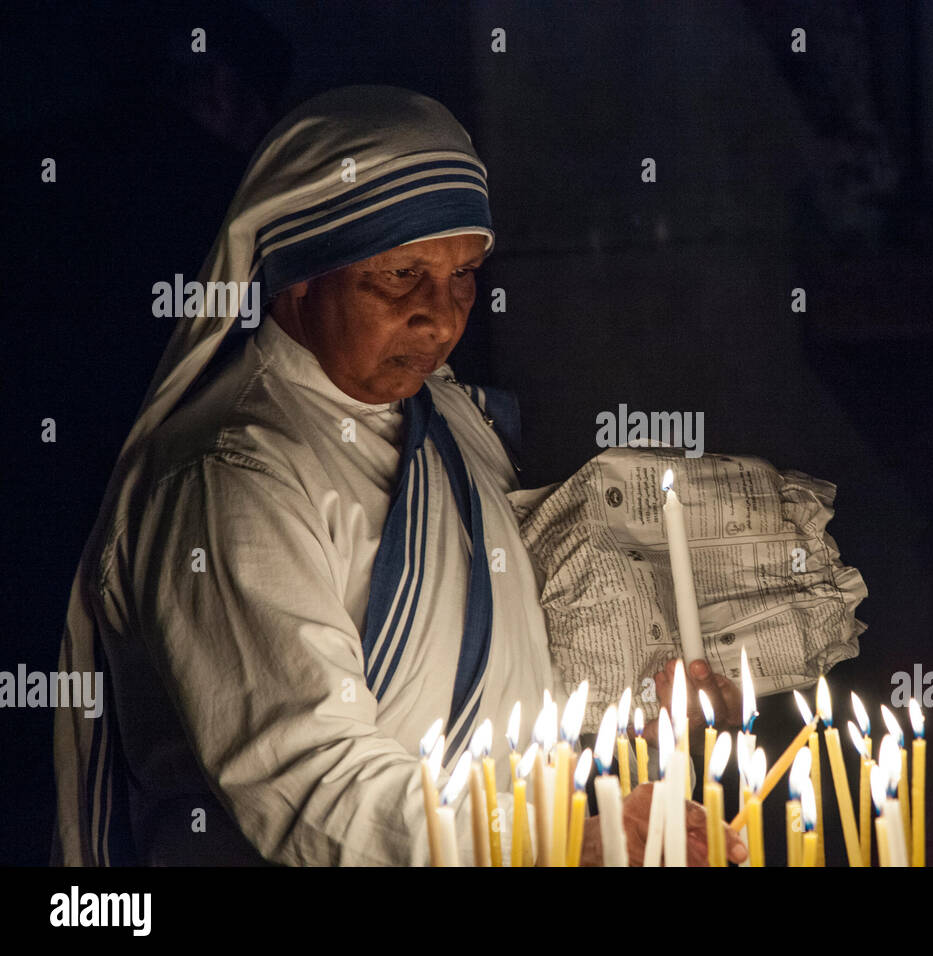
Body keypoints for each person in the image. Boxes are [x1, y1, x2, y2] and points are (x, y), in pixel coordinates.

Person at [52, 85, 744, 866]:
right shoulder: (231, 474)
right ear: (299, 276)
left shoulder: (451, 426)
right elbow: (311, 783)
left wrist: (623, 722)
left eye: (463, 276)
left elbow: (481, 681)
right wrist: (551, 844)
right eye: (401, 274)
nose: (441, 316)